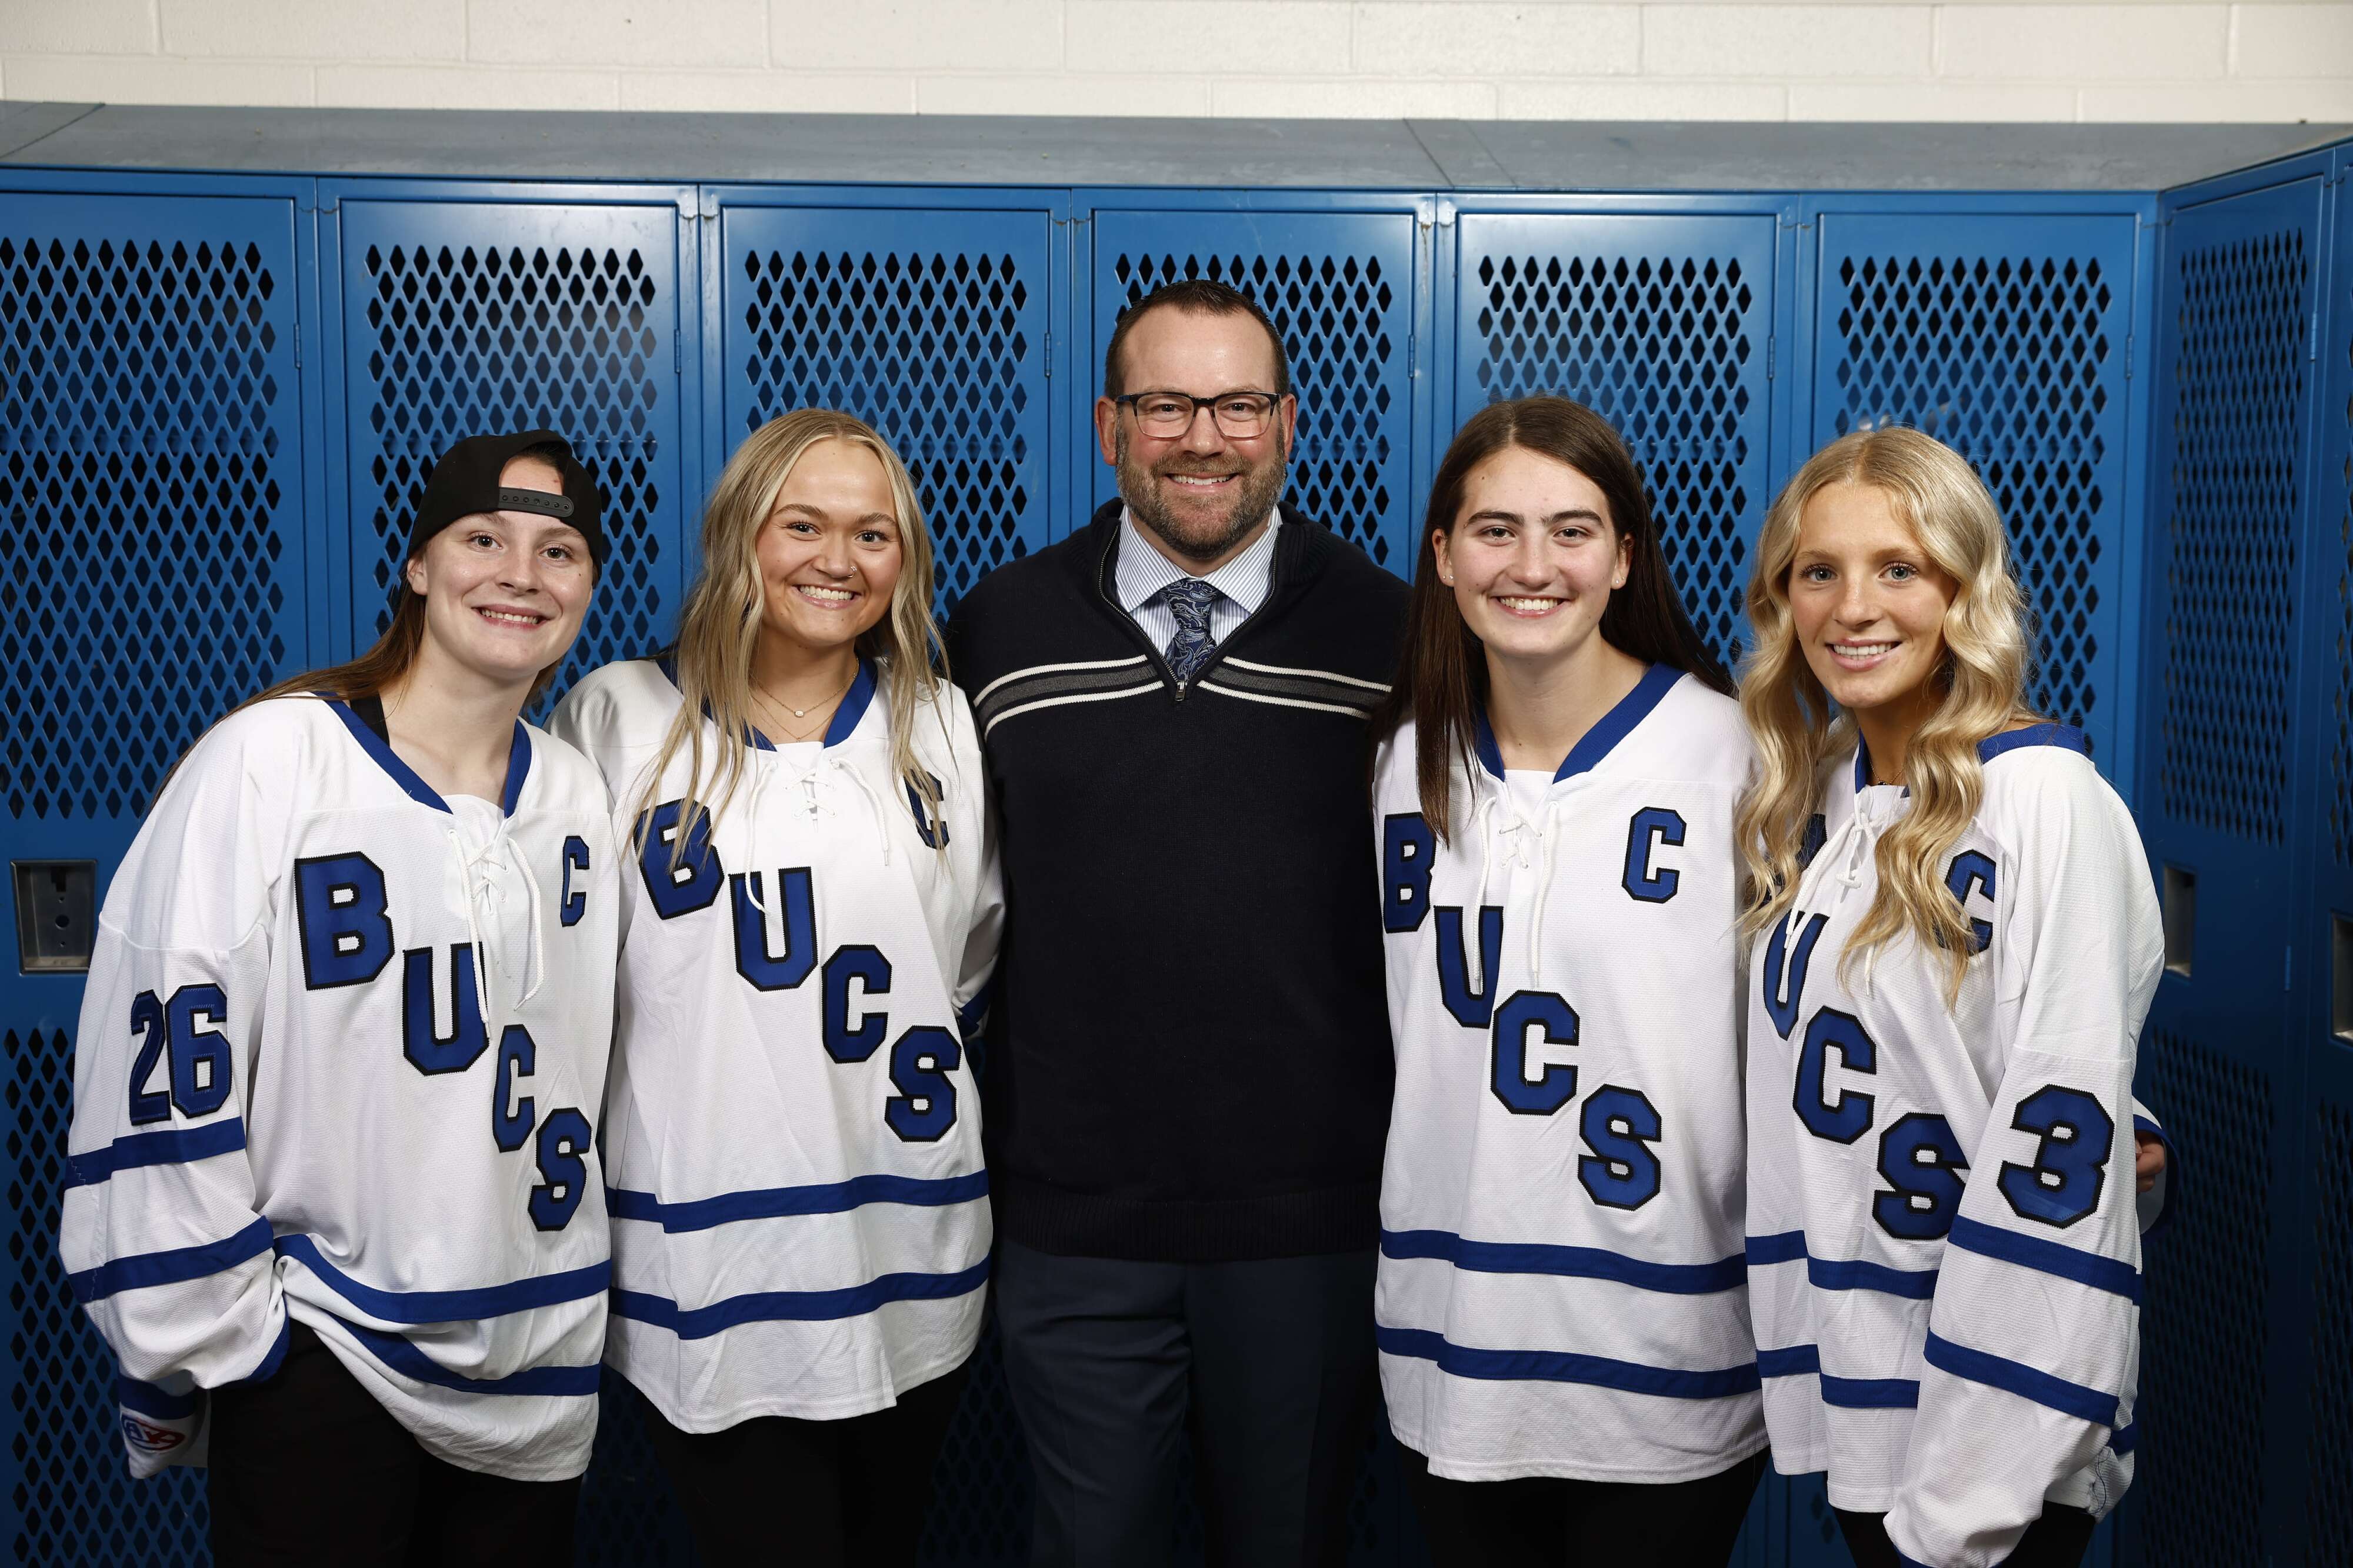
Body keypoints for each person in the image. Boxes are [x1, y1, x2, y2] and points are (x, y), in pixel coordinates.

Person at [61, 431, 619, 1567]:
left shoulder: (573, 790)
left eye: (558, 550)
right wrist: (232, 1339)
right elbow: (165, 1043)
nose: (521, 573)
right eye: (483, 539)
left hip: (533, 1362)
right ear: (418, 566)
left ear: (588, 586)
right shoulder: (272, 761)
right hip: (331, 1354)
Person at [946, 278, 1408, 1567]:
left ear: (1287, 422)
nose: (1202, 436)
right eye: (1165, 403)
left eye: (1236, 403)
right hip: (1071, 1228)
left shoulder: (1395, 636)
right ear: (1108, 426)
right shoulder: (999, 627)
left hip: (1307, 1227)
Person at [551, 409, 1000, 1568]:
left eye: (872, 533)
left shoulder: (940, 726)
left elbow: (961, 969)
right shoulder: (617, 717)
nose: (836, 561)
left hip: (906, 1234)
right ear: (738, 536)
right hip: (709, 1251)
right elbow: (562, 991)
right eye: (801, 524)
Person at [1737, 427, 2168, 1568]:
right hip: (1867, 1392)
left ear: (1961, 590)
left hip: (1985, 1435)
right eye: (1816, 571)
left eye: (1898, 568)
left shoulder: (2046, 803)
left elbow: (2058, 1123)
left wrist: (1964, 1500)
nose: (1850, 606)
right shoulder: (1822, 790)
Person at [1369, 396, 1768, 1566]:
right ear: (1441, 557)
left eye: (1570, 530)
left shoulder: (1735, 756)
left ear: (1623, 555)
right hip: (1451, 1332)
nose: (1531, 565)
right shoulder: (1403, 762)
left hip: (1663, 1338)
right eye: (1493, 531)